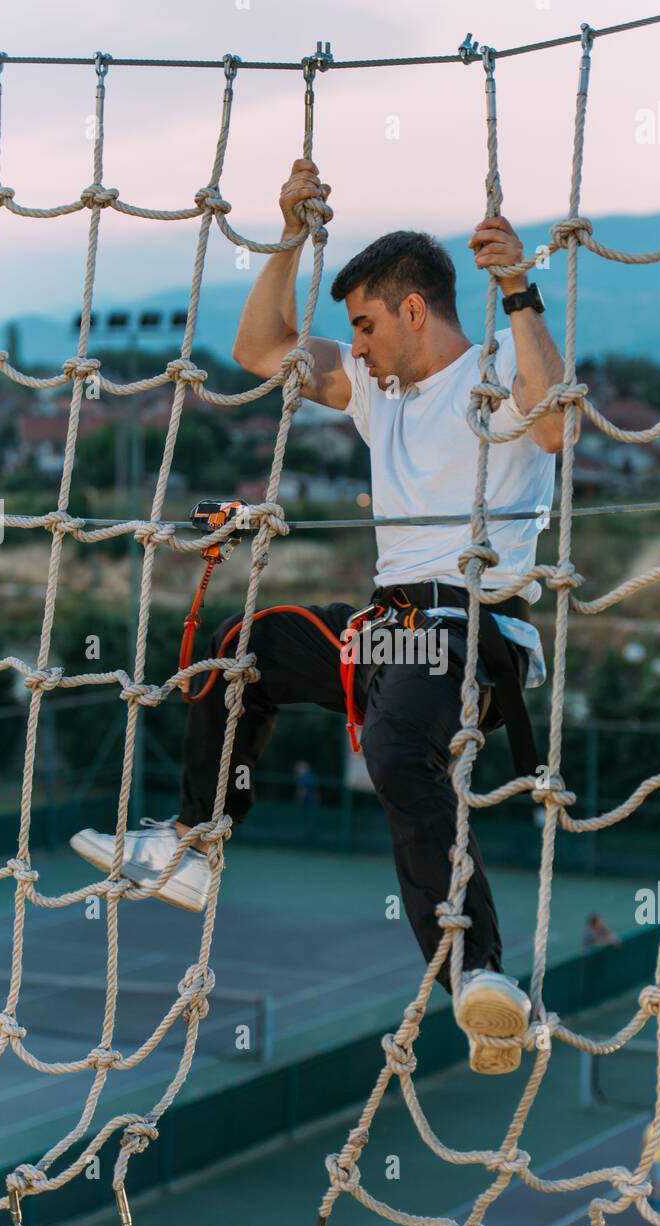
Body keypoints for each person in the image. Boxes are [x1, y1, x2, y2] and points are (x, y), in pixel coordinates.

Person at [70, 157, 579, 1076]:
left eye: (367, 325)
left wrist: (518, 288)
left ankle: (480, 974)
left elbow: (553, 428)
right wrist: (291, 236)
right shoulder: (377, 393)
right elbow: (260, 349)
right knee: (241, 655)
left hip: (469, 633)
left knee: (392, 754)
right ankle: (195, 842)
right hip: (385, 630)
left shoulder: (502, 373)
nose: (359, 345)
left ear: (415, 310)